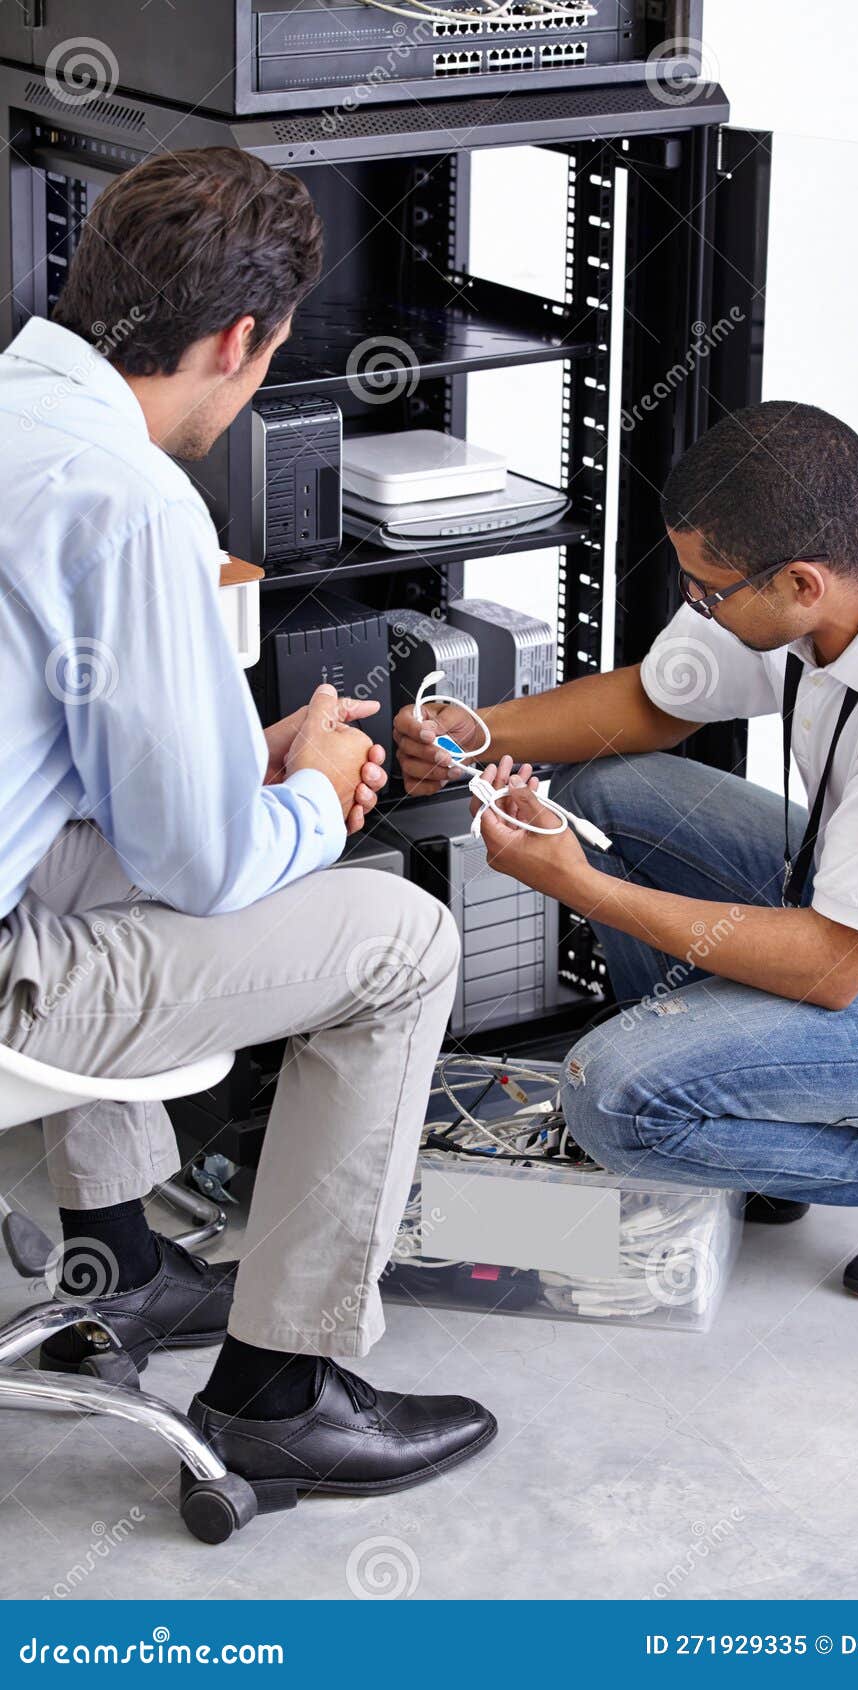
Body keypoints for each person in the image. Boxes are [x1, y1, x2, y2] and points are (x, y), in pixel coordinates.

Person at [0, 146, 495, 1507]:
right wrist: (312, 801)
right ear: (238, 339)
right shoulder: (132, 496)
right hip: (5, 983)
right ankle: (284, 1394)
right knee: (403, 938)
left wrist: (239, 761)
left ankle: (126, 1260)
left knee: (69, 842)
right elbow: (203, 861)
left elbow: (59, 751)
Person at [394, 402, 858, 1303]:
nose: (693, 606)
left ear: (798, 583)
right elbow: (655, 702)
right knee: (610, 794)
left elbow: (832, 967)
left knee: (612, 1097)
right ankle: (735, 1102)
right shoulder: (840, 590)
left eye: (707, 591)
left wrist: (579, 886)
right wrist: (471, 734)